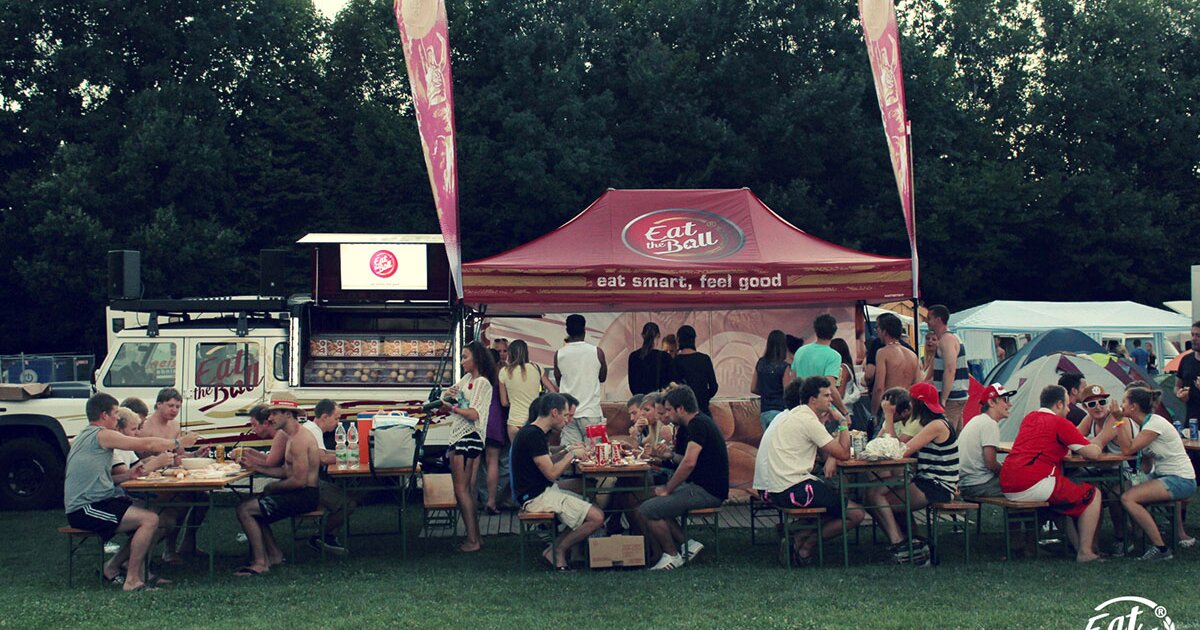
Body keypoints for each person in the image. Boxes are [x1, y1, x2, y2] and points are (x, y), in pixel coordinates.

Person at [65, 393, 197, 591]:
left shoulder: (88, 435)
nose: (118, 418)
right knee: (150, 519)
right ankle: (133, 580)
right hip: (85, 509)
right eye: (115, 413)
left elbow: (106, 478)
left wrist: (128, 475)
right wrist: (179, 443)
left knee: (155, 517)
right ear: (104, 415)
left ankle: (115, 567)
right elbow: (146, 444)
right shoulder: (101, 434)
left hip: (100, 501)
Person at [754, 377, 864, 564]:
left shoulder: (795, 414)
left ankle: (797, 534)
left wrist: (830, 455)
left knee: (833, 499)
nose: (832, 400)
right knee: (856, 514)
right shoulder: (808, 421)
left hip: (776, 487)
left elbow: (824, 449)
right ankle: (804, 544)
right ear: (813, 399)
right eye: (827, 395)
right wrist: (843, 423)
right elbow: (844, 453)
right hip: (792, 488)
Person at [999, 385, 1108, 563]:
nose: (1067, 410)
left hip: (1008, 482)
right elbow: (1093, 453)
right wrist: (1103, 438)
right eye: (1066, 405)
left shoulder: (1030, 418)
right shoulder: (1060, 423)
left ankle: (1077, 546)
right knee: (1094, 494)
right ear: (1058, 404)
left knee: (1061, 502)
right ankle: (1086, 552)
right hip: (1032, 483)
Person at [639, 386, 728, 570]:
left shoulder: (697, 424)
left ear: (681, 409)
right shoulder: (699, 422)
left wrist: (668, 489)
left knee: (648, 509)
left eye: (670, 410)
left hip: (707, 491)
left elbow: (689, 463)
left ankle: (671, 555)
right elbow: (684, 459)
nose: (668, 415)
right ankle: (688, 545)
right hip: (704, 487)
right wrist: (668, 456)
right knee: (653, 501)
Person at [1101, 386, 1197, 559]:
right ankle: (1126, 538)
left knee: (1128, 498)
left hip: (1180, 479)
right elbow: (1141, 458)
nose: (1122, 405)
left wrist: (1119, 420)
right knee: (1117, 492)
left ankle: (1160, 549)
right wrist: (1139, 479)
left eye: (1124, 401)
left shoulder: (1154, 424)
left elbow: (1127, 449)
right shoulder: (1145, 425)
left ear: (1133, 407)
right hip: (1163, 476)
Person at [866, 382, 959, 560]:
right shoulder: (933, 422)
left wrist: (888, 414)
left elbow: (899, 451)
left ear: (916, 404)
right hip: (928, 481)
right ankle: (909, 542)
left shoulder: (936, 425)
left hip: (937, 486)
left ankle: (900, 545)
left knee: (875, 498)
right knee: (872, 493)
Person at [511, 393, 601, 570]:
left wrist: (568, 449)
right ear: (554, 412)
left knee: (587, 494)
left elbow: (547, 461)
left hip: (540, 492)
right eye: (566, 415)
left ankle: (566, 549)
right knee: (597, 517)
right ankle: (558, 550)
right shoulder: (533, 435)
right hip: (535, 498)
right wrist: (572, 454)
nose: (567, 420)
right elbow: (552, 473)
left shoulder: (534, 432)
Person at [234, 394, 321, 576]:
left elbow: (299, 481)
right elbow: (285, 472)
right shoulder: (288, 435)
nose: (270, 418)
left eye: (274, 413)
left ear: (288, 414)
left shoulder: (299, 440)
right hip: (299, 492)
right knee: (252, 507)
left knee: (246, 509)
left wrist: (271, 488)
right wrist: (256, 467)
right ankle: (274, 555)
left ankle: (260, 563)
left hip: (305, 496)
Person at [138, 387, 207, 564]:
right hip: (150, 478)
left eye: (177, 406)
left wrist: (196, 455)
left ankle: (185, 544)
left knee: (201, 497)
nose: (174, 410)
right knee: (178, 502)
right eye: (170, 406)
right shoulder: (145, 426)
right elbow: (139, 457)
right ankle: (163, 550)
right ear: (158, 405)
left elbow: (178, 455)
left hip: (171, 475)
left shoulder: (175, 425)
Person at [441, 340, 495, 552]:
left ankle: (472, 540)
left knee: (461, 489)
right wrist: (450, 396)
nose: (462, 361)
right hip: (463, 437)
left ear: (477, 358)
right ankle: (475, 537)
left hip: (467, 437)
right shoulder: (466, 379)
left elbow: (474, 414)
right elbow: (453, 401)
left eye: (465, 357)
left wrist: (452, 406)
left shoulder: (482, 383)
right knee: (466, 490)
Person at [1073, 384, 1137, 555]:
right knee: (1089, 493)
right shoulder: (1089, 419)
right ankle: (1091, 542)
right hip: (1100, 471)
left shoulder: (1114, 419)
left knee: (1115, 495)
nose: (1098, 407)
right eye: (1092, 404)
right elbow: (1072, 438)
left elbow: (1098, 443)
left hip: (1125, 471)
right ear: (1085, 408)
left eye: (1102, 401)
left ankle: (1122, 538)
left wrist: (1081, 443)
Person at [301, 399, 349, 555]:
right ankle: (318, 537)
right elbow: (322, 458)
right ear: (324, 417)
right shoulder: (313, 430)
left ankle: (328, 537)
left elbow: (325, 453)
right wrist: (352, 456)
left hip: (308, 481)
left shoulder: (311, 427)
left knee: (344, 495)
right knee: (349, 503)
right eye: (336, 418)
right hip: (307, 484)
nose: (337, 423)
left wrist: (345, 453)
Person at [554, 314, 608, 448]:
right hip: (591, 413)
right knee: (595, 456)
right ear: (585, 329)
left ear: (567, 331)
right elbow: (602, 377)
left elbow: (558, 380)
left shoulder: (559, 354)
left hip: (568, 414)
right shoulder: (597, 352)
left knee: (571, 456)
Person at [957, 384, 1014, 499]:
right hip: (978, 485)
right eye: (1005, 400)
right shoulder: (990, 424)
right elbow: (990, 463)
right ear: (991, 403)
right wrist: (1008, 475)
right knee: (1024, 488)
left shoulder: (977, 420)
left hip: (965, 483)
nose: (1010, 404)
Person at [790, 314, 849, 416]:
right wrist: (844, 411)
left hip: (800, 408)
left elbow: (793, 379)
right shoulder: (833, 356)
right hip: (821, 410)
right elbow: (830, 386)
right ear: (834, 331)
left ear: (815, 330)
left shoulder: (801, 351)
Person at [500, 339, 557, 444]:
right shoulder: (537, 368)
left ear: (510, 353)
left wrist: (514, 401)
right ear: (526, 353)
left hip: (514, 421)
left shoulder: (504, 372)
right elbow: (553, 391)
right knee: (536, 456)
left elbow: (504, 402)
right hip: (535, 421)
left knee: (516, 456)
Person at [922, 304, 969, 429]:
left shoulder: (946, 340)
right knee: (956, 432)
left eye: (929, 318)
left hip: (952, 397)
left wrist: (943, 399)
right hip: (958, 394)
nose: (927, 322)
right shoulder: (952, 337)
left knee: (947, 433)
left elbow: (950, 370)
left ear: (938, 320)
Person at [870, 313, 921, 417]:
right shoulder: (912, 355)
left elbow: (879, 387)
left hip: (890, 405)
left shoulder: (883, 353)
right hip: (907, 407)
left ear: (885, 331)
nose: (877, 332)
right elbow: (917, 384)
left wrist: (873, 414)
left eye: (878, 328)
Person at [671, 325, 719, 417]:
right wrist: (704, 397)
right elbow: (714, 386)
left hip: (683, 411)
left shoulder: (675, 361)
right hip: (703, 410)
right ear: (693, 339)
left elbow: (674, 387)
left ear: (679, 340)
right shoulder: (704, 359)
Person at [752, 330, 791, 430]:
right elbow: (787, 391)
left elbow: (753, 388)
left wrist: (766, 392)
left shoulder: (760, 363)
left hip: (764, 411)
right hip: (780, 410)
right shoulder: (784, 366)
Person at [628, 322, 673, 395]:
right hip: (658, 401)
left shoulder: (633, 356)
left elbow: (632, 385)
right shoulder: (665, 357)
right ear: (658, 335)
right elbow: (669, 383)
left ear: (642, 335)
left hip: (639, 402)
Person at [1175, 321, 1200, 433]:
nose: (1194, 339)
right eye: (1192, 334)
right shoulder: (1186, 360)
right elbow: (1177, 385)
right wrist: (1179, 393)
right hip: (1191, 419)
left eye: (1198, 335)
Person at [829, 337, 862, 417]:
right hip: (842, 411)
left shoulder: (843, 369)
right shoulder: (842, 367)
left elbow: (840, 393)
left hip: (843, 412)